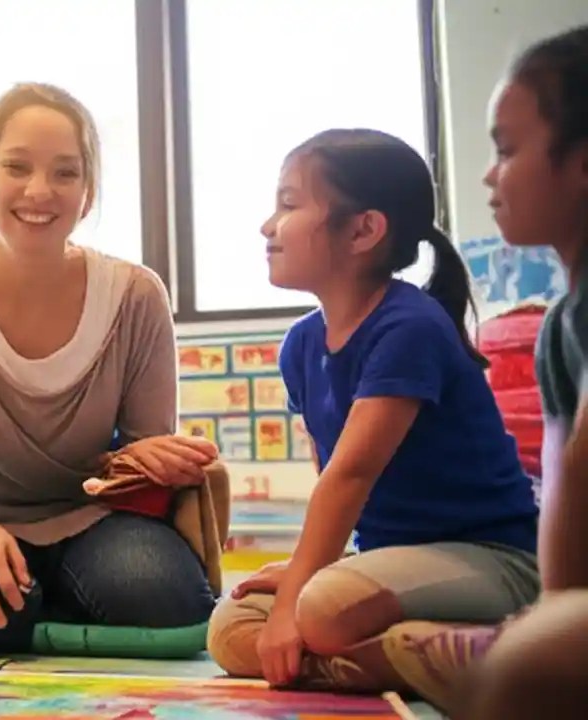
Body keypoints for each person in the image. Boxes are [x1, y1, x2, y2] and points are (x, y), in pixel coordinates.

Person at [0, 82, 220, 655]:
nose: (39, 191)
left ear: (87, 193)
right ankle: (45, 599)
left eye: (66, 173)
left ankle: (43, 598)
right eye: (16, 166)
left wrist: (143, 458)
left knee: (169, 599)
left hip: (98, 521)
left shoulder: (137, 295)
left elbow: (138, 469)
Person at [205, 127, 541, 694]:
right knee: (231, 627)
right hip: (390, 564)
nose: (268, 226)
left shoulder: (408, 326)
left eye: (288, 205)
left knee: (320, 611)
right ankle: (424, 656)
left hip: (493, 560)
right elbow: (331, 480)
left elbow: (349, 477)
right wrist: (303, 575)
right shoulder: (302, 346)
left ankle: (487, 649)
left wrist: (301, 596)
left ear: (364, 229)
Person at [402, 25, 588, 718]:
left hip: (489, 560)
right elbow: (567, 541)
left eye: (507, 150)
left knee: (529, 663)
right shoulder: (560, 329)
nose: (488, 173)